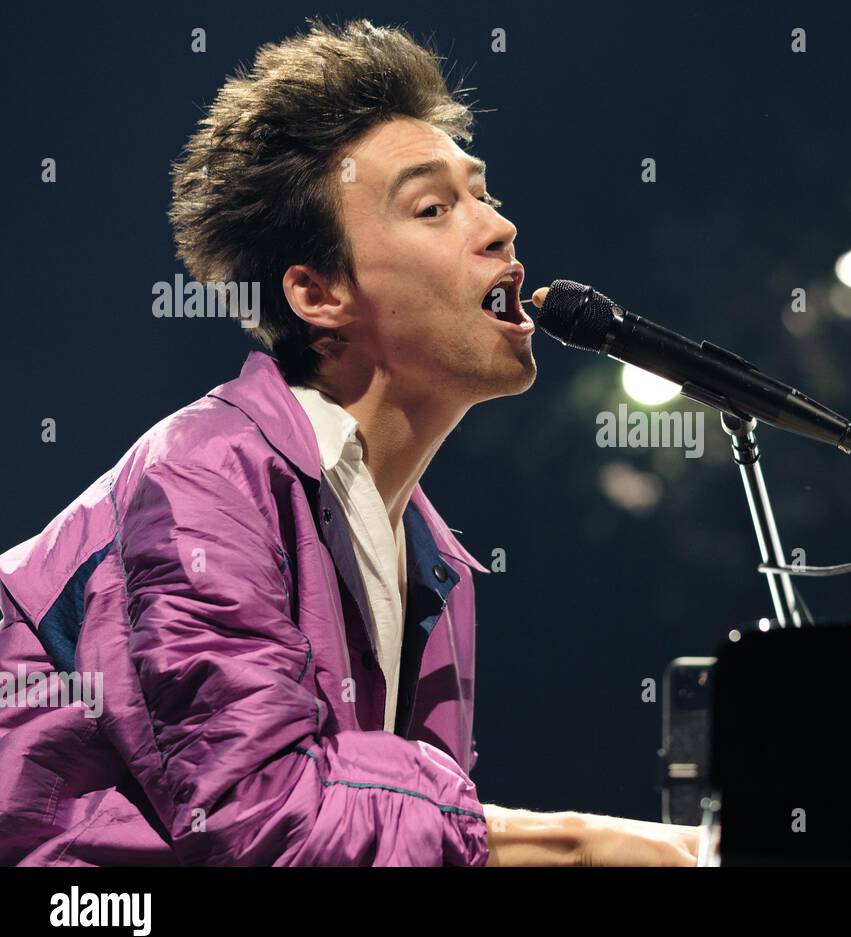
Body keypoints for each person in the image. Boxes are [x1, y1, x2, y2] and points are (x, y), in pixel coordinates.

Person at [0, 18, 698, 867]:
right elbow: (269, 819)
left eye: (485, 194)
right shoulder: (201, 477)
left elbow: (386, 841)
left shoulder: (431, 559)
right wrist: (602, 848)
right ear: (318, 293)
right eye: (434, 207)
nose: (498, 228)